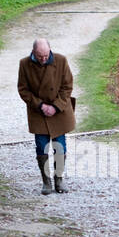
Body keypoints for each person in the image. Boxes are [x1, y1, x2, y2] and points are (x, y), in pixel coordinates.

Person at [17, 38, 75, 194]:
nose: (43, 59)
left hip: (59, 111)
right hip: (39, 112)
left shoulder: (61, 60)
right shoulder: (24, 64)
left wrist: (55, 106)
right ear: (34, 52)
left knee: (60, 147)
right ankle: (46, 181)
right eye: (40, 56)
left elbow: (67, 86)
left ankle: (59, 179)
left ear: (50, 50)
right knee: (42, 148)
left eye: (46, 55)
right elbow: (23, 90)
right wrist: (40, 105)